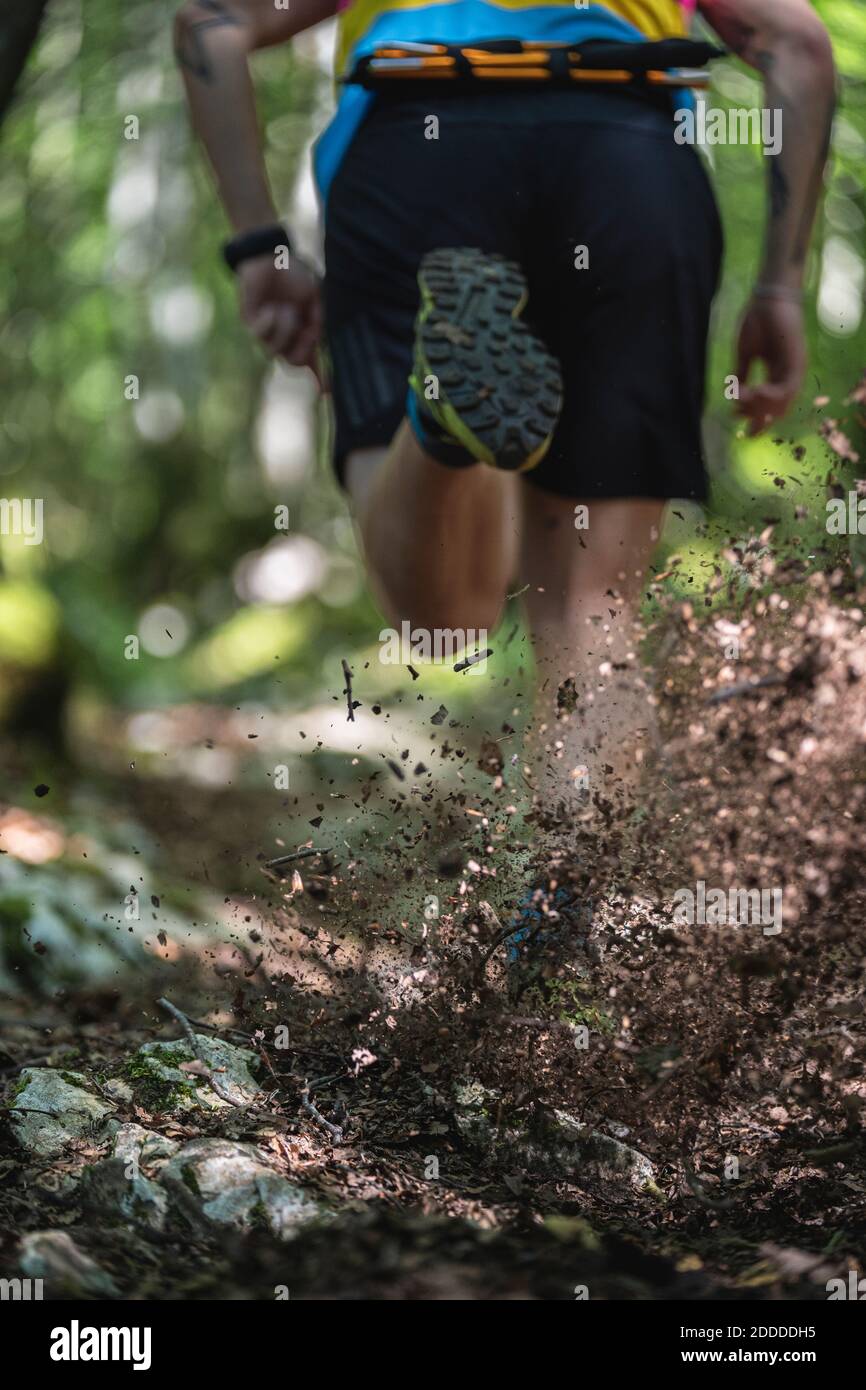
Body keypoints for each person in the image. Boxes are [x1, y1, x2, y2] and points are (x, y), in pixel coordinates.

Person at [175, 0, 835, 965]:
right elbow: (798, 44)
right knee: (593, 613)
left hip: (420, 143)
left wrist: (257, 247)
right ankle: (554, 947)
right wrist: (779, 283)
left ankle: (442, 426)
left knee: (444, 620)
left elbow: (212, 22)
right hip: (629, 148)